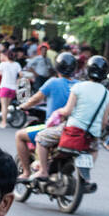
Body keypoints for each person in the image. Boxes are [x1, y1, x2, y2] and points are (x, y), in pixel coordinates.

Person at [33, 55, 109, 182]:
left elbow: (67, 111)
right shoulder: (108, 95)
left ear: (88, 70)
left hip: (72, 130)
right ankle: (85, 176)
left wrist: (59, 111)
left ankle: (43, 170)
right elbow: (104, 122)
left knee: (41, 138)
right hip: (91, 135)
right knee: (94, 149)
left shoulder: (78, 87)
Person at [14, 50, 78, 178]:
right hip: (72, 128)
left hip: (54, 127)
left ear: (57, 67)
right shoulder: (79, 85)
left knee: (19, 135)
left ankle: (26, 172)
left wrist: (23, 106)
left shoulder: (53, 82)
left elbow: (36, 99)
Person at [0, 49, 21, 128]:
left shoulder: (3, 64)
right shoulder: (17, 65)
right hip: (13, 88)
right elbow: (21, 75)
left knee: (3, 106)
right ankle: (5, 120)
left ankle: (3, 123)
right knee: (7, 105)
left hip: (4, 86)